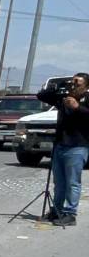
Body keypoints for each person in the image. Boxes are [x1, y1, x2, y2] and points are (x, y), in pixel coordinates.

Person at [36, 73, 89, 226]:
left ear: (86, 85)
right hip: (60, 145)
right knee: (59, 182)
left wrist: (77, 107)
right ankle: (56, 211)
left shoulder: (87, 99)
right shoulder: (64, 98)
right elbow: (41, 96)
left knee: (72, 182)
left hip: (78, 146)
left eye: (77, 83)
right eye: (72, 82)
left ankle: (70, 214)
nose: (74, 85)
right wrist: (59, 86)